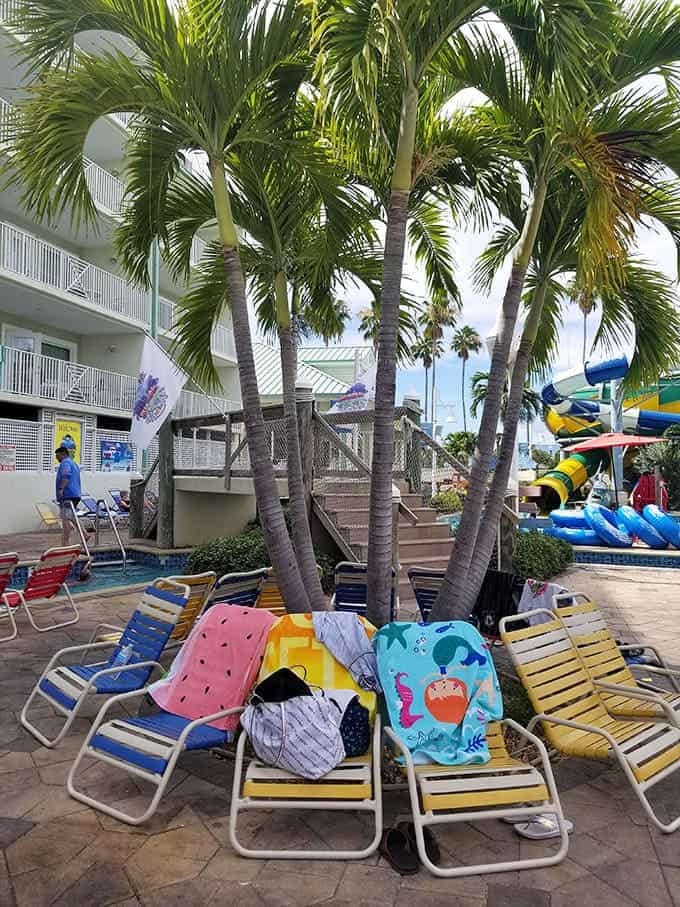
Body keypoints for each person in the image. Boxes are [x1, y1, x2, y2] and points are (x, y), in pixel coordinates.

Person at [55, 446, 82, 546]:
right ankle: (84, 533)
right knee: (71, 516)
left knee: (65, 518)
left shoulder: (65, 463)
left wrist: (61, 489)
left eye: (58, 456)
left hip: (68, 495)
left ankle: (65, 543)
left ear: (63, 454)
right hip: (75, 494)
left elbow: (66, 475)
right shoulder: (74, 463)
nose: (57, 458)